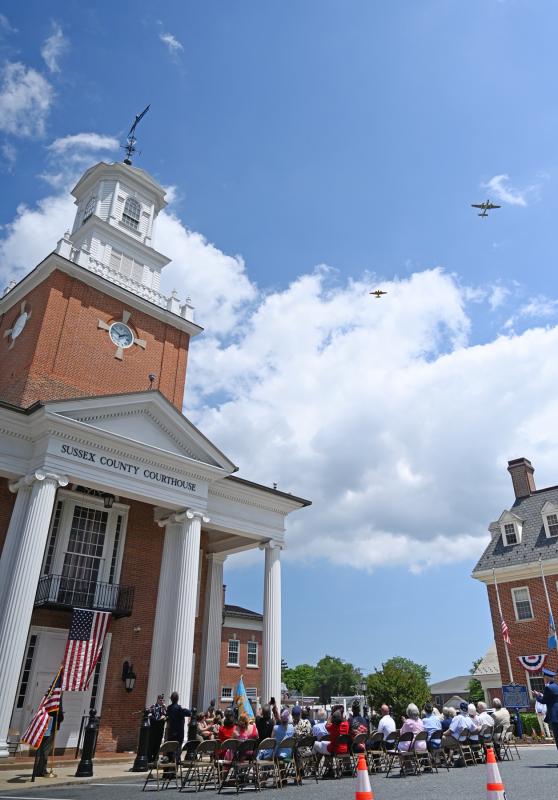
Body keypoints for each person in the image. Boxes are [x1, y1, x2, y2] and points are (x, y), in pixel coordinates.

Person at [535, 667, 558, 750]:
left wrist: (537, 696)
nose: (543, 679)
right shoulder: (556, 686)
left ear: (546, 678)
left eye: (544, 678)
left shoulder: (548, 688)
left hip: (555, 716)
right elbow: (552, 698)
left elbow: (544, 701)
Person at [166, 692, 192, 764]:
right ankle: (174, 767)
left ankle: (169, 768)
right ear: (177, 699)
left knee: (170, 749)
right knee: (177, 750)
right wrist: (184, 708)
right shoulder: (179, 708)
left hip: (171, 733)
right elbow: (189, 713)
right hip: (179, 733)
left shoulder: (169, 708)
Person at [147, 693, 167, 761]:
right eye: (161, 700)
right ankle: (149, 758)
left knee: (158, 744)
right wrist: (156, 720)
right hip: (153, 729)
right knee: (151, 743)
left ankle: (155, 758)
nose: (162, 702)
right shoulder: (153, 706)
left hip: (160, 729)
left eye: (163, 700)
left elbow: (167, 715)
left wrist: (165, 713)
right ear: (157, 700)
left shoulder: (164, 708)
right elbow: (150, 715)